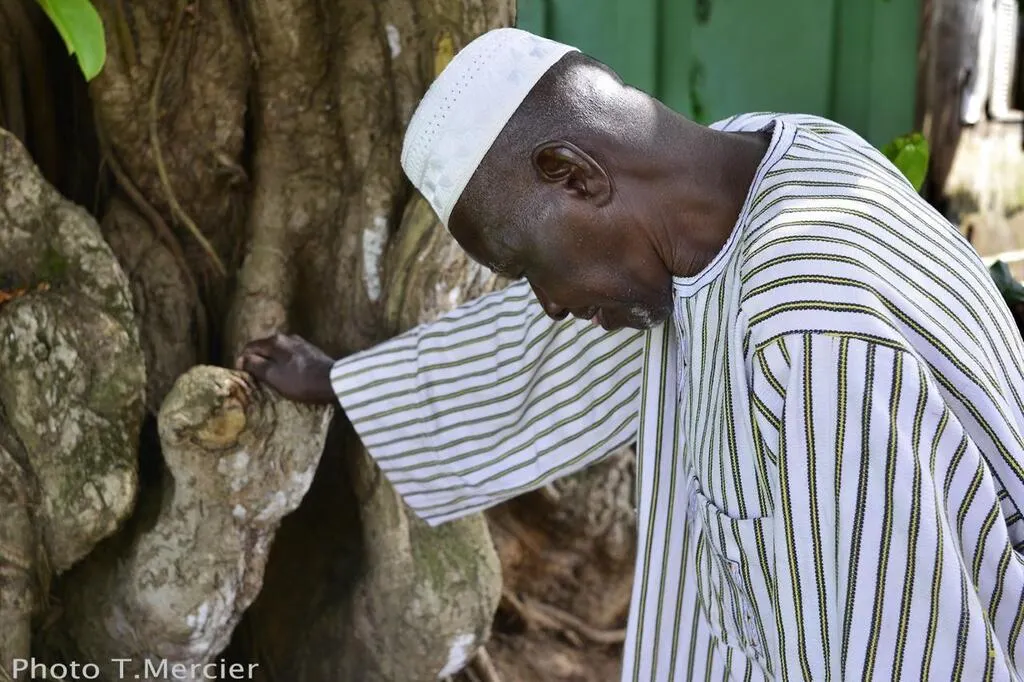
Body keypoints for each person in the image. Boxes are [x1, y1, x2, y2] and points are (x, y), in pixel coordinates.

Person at [235, 27, 1024, 681]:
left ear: (574, 173)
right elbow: (528, 349)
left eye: (524, 266)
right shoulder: (763, 170)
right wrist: (347, 381)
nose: (544, 300)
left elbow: (901, 652)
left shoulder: (814, 336)